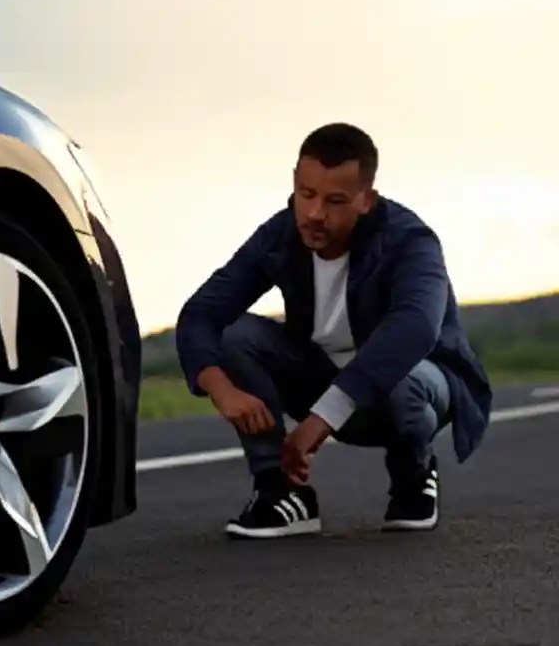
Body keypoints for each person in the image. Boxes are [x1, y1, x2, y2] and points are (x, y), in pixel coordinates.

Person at [175, 122, 493, 539]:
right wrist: (219, 387)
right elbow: (201, 313)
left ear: (366, 200)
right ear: (294, 182)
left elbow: (415, 330)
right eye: (306, 194)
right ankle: (281, 491)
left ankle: (413, 474)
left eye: (335, 200)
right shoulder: (282, 234)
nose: (314, 213)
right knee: (236, 335)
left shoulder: (409, 240)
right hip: (320, 379)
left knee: (403, 373)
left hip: (410, 389)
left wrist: (320, 420)